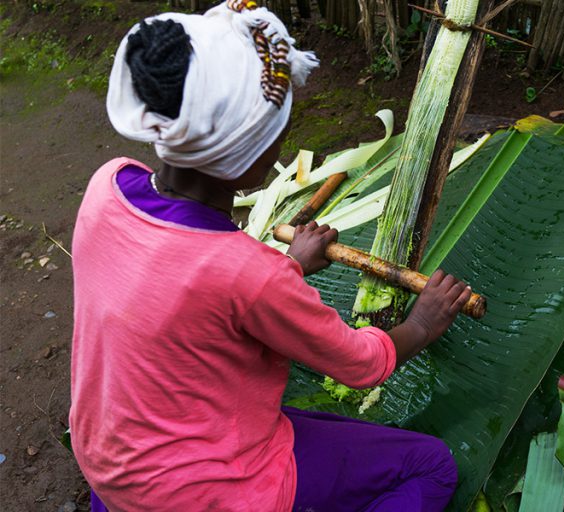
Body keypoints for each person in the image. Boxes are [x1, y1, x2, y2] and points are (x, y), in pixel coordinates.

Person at [69, 2, 471, 511]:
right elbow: (361, 364)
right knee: (431, 466)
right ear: (251, 153)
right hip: (195, 494)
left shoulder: (108, 185)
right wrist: (423, 325)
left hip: (111, 471)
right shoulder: (247, 273)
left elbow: (182, 287)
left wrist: (291, 267)